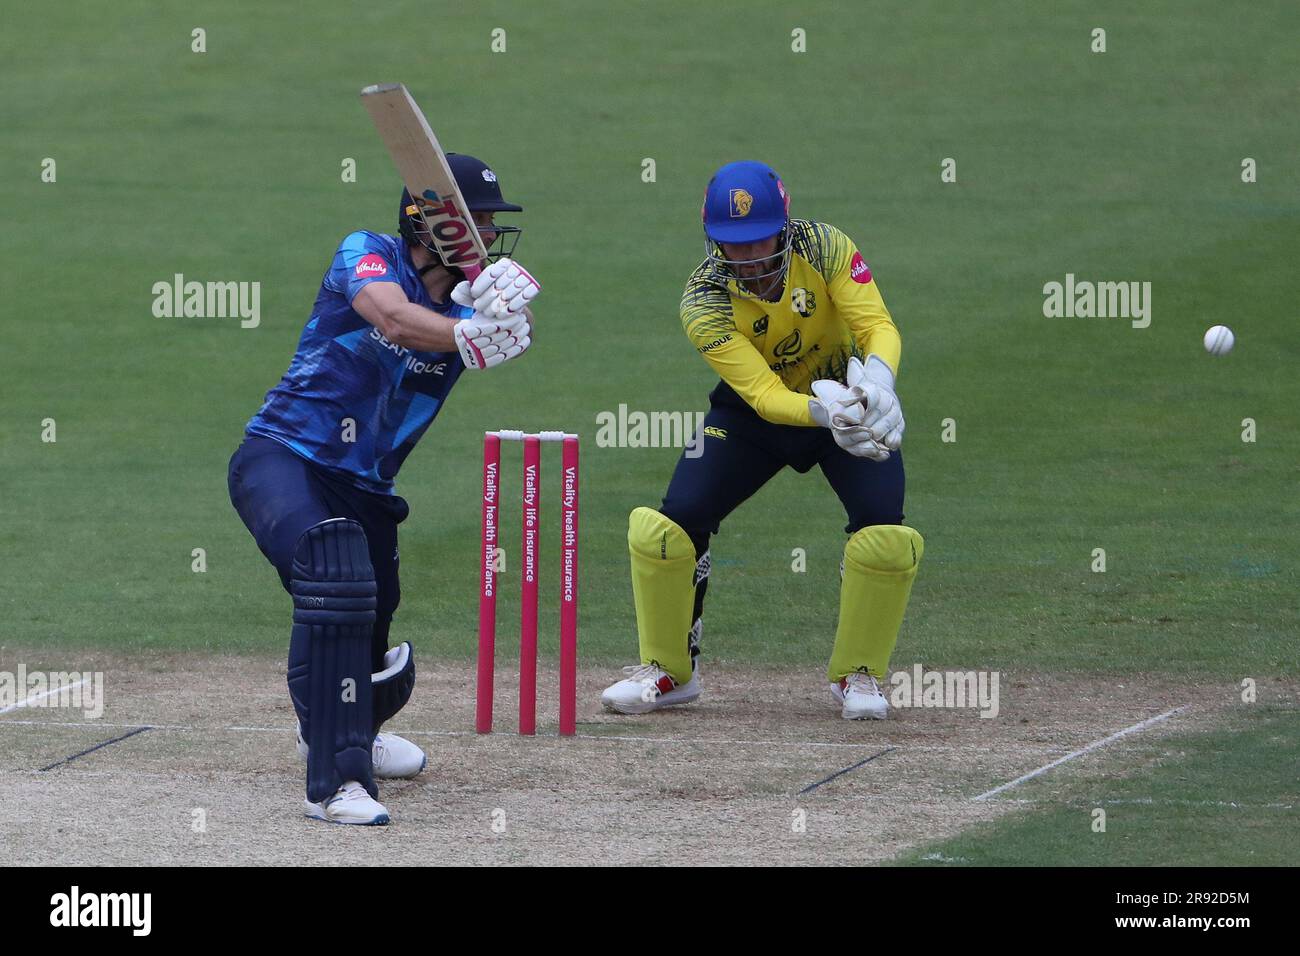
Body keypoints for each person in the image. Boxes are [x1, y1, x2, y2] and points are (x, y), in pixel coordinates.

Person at [228, 154, 541, 825]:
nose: (488, 235)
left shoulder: (468, 299)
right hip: (283, 457)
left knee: (371, 611)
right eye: (477, 221)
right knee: (332, 573)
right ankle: (337, 781)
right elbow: (393, 318)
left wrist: (506, 323)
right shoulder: (366, 253)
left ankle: (352, 731)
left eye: (491, 223)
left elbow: (515, 333)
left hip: (366, 488)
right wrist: (467, 334)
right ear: (428, 224)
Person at [601, 160, 923, 722]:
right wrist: (830, 415)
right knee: (675, 519)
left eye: (758, 241)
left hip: (849, 397)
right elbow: (765, 396)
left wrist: (877, 386)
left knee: (884, 530)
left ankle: (859, 674)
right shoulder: (703, 299)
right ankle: (670, 670)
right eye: (732, 244)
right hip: (760, 416)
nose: (748, 257)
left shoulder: (824, 247)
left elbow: (878, 326)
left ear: (783, 226)